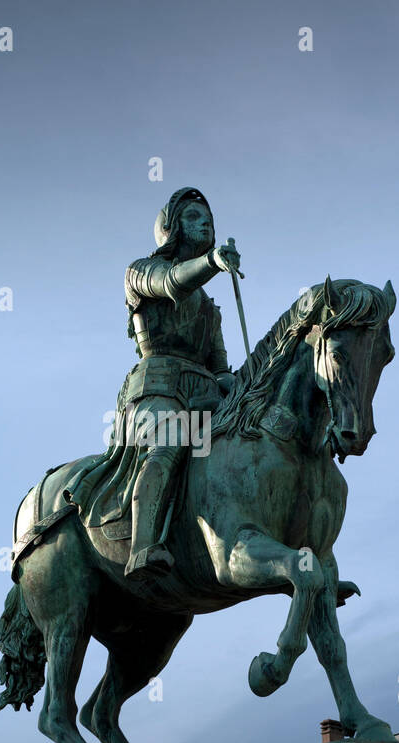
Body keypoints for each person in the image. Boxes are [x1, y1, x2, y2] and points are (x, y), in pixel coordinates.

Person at [119, 186, 242, 579]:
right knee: (170, 441)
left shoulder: (210, 309)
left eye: (207, 217)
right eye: (192, 217)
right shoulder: (140, 272)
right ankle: (142, 547)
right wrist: (212, 261)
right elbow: (172, 282)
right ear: (170, 228)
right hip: (156, 392)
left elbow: (221, 370)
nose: (204, 222)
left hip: (204, 395)